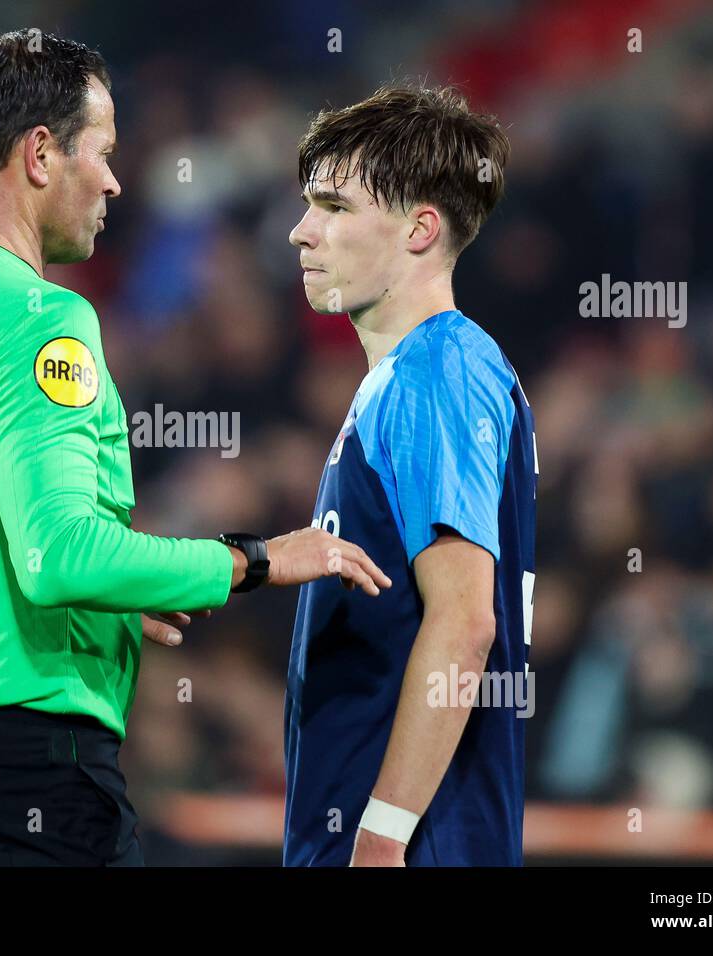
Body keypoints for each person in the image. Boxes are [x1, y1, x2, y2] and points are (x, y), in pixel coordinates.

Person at [0, 30, 390, 867]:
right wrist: (256, 559)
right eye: (105, 150)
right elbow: (56, 554)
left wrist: (106, 597)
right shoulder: (41, 320)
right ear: (41, 155)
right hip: (23, 781)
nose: (117, 180)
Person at [283, 82, 537, 866]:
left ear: (421, 228)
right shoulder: (408, 382)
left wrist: (381, 840)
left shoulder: (438, 375)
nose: (301, 232)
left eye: (333, 207)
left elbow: (464, 623)